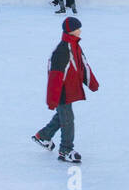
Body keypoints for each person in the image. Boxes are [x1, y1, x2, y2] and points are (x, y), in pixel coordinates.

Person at [32, 16, 98, 163]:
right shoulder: (62, 51)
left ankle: (43, 136)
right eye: (77, 29)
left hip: (70, 89)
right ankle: (65, 150)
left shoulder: (75, 46)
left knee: (63, 116)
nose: (80, 31)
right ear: (71, 31)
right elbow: (54, 79)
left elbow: (83, 66)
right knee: (68, 119)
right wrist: (52, 100)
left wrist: (92, 83)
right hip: (62, 91)